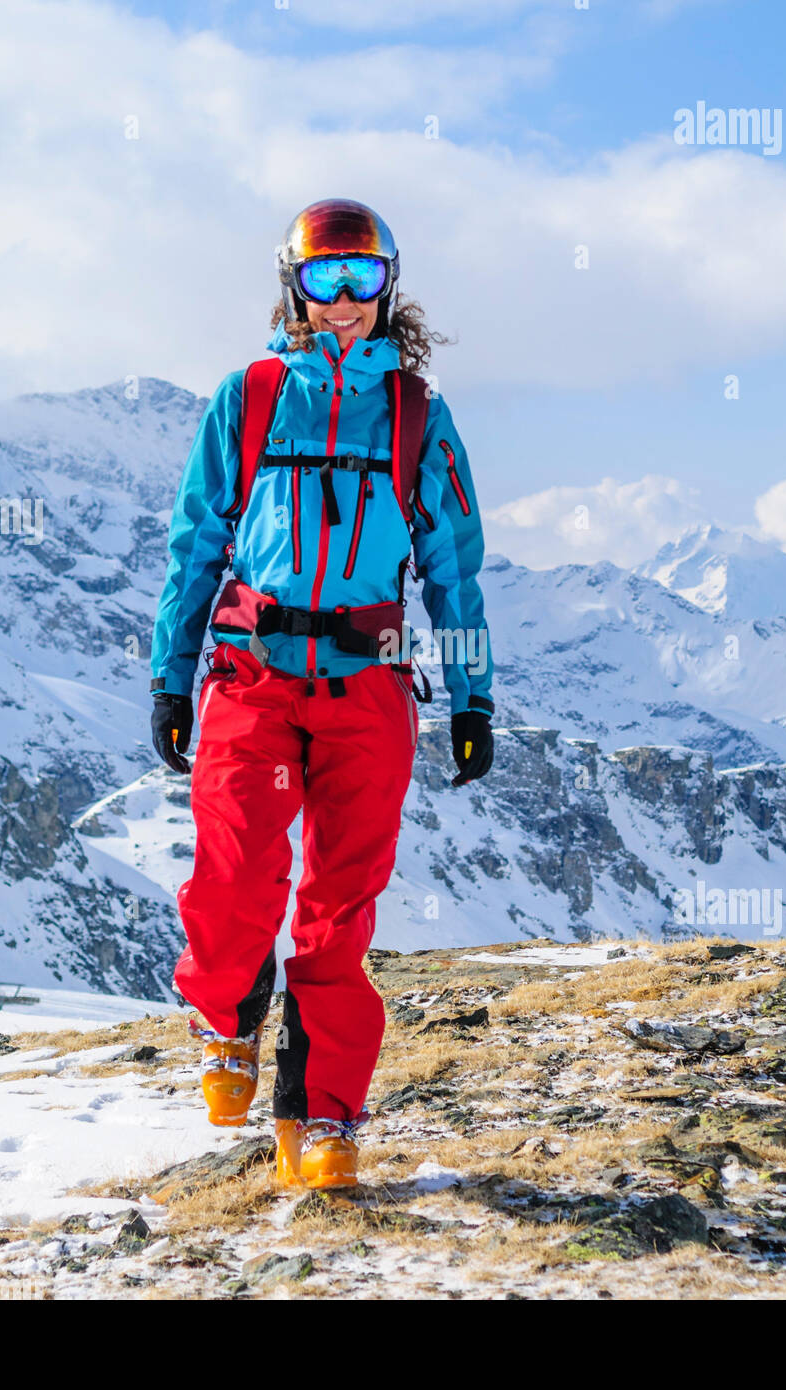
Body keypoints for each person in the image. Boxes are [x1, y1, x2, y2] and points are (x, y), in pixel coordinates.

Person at [149, 198, 494, 1189]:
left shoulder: (416, 415)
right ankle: (228, 1013)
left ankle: (325, 1112)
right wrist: (171, 679)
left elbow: (453, 568)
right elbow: (194, 546)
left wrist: (472, 696)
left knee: (339, 911)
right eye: (322, 278)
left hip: (367, 684)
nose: (343, 300)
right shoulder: (249, 397)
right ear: (291, 286)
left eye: (362, 279)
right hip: (249, 677)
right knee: (231, 879)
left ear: (389, 287)